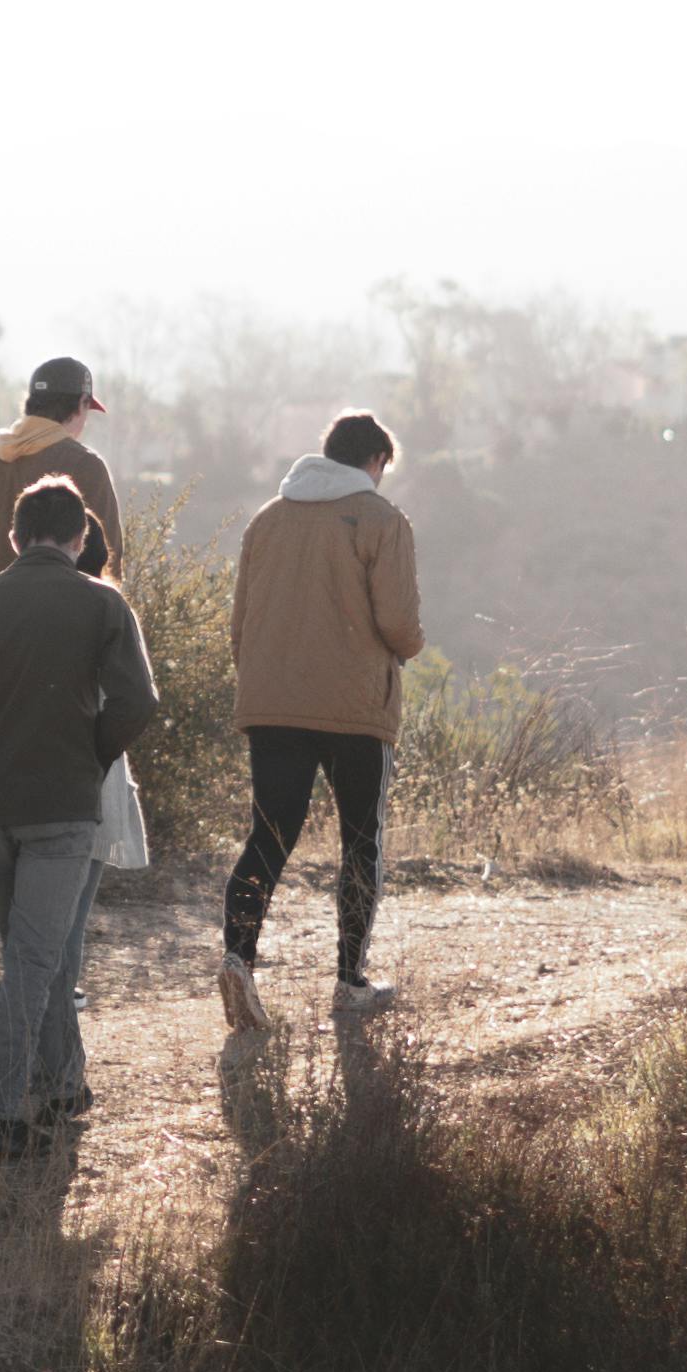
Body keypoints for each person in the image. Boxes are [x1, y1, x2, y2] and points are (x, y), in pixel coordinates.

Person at [0, 477, 153, 1160]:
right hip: (62, 808)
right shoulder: (102, 603)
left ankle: (63, 1082)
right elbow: (138, 701)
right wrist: (90, 752)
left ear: (14, 536)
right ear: (80, 539)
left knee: (31, 950)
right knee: (34, 958)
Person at [0, 357, 121, 1031]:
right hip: (63, 662)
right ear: (78, 408)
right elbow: (109, 563)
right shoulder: (82, 468)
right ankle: (51, 978)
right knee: (60, 825)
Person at [221, 409, 430, 1030]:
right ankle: (349, 981)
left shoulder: (267, 519)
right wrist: (410, 645)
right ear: (374, 463)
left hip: (273, 704)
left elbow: (240, 624)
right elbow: (398, 624)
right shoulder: (381, 521)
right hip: (355, 709)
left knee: (269, 835)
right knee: (360, 842)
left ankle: (238, 958)